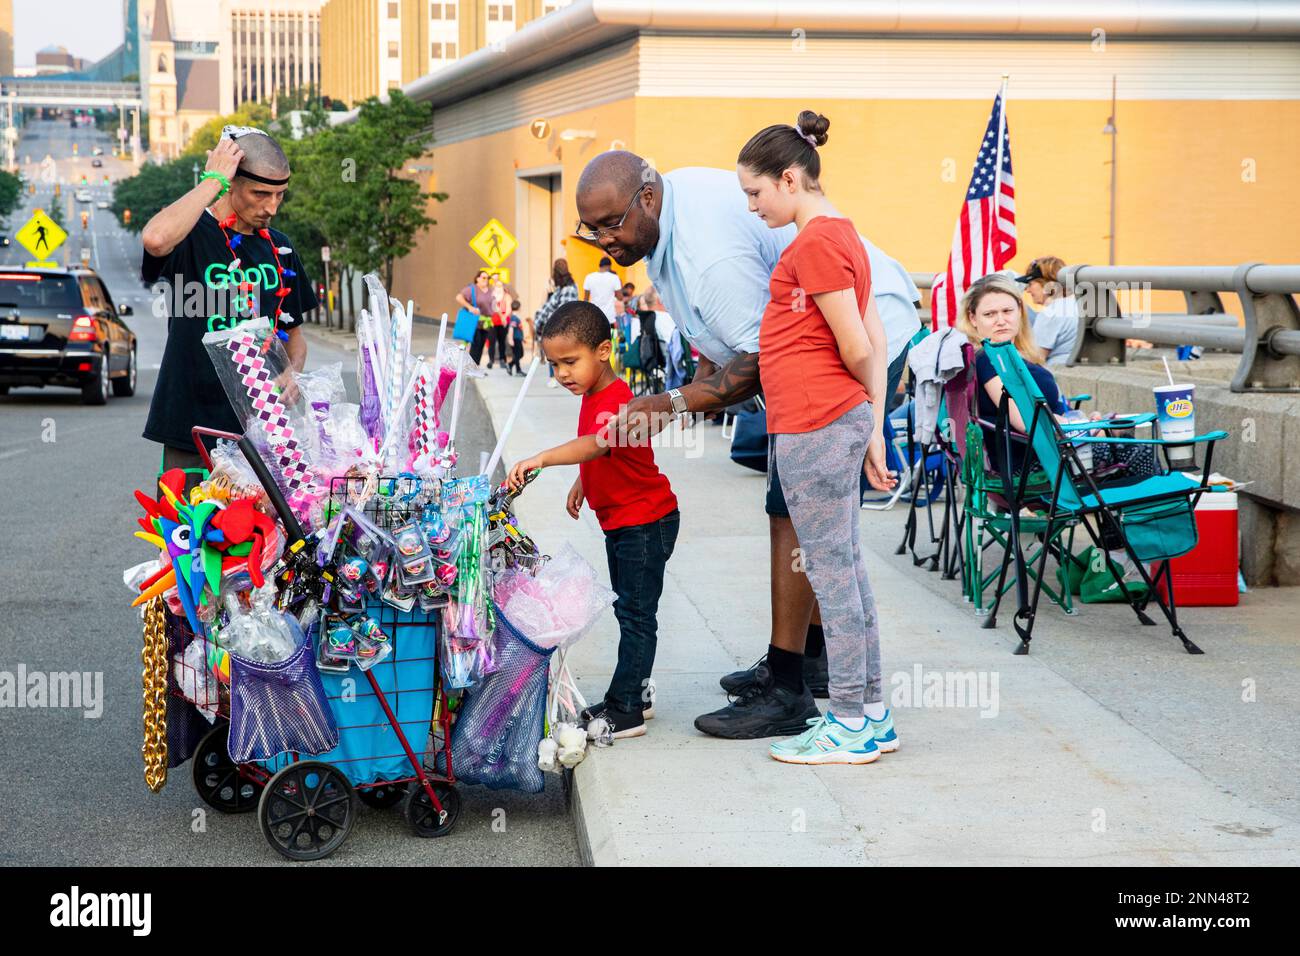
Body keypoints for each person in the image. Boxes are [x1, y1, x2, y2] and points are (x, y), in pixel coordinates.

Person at [574, 150, 913, 739]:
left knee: (799, 519)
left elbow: (764, 359)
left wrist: (673, 404)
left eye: (612, 224)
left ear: (646, 199)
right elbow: (721, 340)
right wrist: (687, 394)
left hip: (846, 349)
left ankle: (792, 692)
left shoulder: (709, 256)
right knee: (808, 525)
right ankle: (811, 661)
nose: (605, 240)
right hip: (827, 348)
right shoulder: (664, 222)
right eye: (593, 228)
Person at [737, 110, 896, 763]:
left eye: (756, 193)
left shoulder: (816, 243)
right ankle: (872, 716)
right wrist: (874, 426)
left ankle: (853, 723)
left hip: (815, 422)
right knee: (846, 574)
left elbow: (859, 344)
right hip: (832, 420)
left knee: (833, 577)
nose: (752, 207)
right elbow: (876, 340)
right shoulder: (842, 237)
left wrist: (860, 417)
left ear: (790, 178)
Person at [507, 301, 679, 738]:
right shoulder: (591, 394)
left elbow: (596, 445)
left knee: (637, 615)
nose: (562, 373)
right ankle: (632, 693)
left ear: (603, 350)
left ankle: (627, 711)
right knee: (631, 611)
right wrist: (585, 482)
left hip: (644, 523)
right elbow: (603, 453)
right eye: (554, 364)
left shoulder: (619, 400)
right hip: (624, 523)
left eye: (571, 361)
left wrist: (543, 457)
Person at [140, 127, 317, 491]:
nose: (271, 207)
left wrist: (293, 373)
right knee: (186, 537)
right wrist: (213, 181)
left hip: (263, 431)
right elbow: (155, 239)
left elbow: (295, 337)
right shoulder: (190, 234)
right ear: (231, 183)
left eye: (280, 195)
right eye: (260, 193)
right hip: (192, 426)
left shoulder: (280, 249)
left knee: (264, 542)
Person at [1018, 256, 1078, 366]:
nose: (1027, 290)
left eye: (1030, 284)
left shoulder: (1050, 313)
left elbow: (1035, 359)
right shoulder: (1078, 303)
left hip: (1058, 375)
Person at [535, 258, 579, 388]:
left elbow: (564, 310)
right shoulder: (564, 287)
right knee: (557, 353)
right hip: (555, 325)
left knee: (556, 353)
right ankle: (555, 377)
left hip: (558, 326)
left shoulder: (567, 288)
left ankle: (555, 377)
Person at [456, 269, 491, 365]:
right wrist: (470, 307)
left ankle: (476, 366)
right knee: (476, 343)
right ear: (477, 279)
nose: (486, 280)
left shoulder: (490, 290)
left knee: (481, 345)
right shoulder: (472, 289)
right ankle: (470, 366)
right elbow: (459, 297)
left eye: (488, 278)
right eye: (483, 277)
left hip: (486, 322)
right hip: (474, 321)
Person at [582, 255, 622, 322]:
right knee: (611, 332)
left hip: (594, 315)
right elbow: (620, 297)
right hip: (610, 317)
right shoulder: (614, 277)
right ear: (609, 266)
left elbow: (585, 299)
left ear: (600, 265)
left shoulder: (589, 277)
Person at [489, 272, 512, 369]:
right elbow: (490, 307)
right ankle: (491, 360)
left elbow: (509, 308)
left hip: (503, 321)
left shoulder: (506, 295)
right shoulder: (491, 295)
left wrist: (505, 316)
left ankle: (502, 359)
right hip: (492, 320)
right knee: (492, 340)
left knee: (502, 341)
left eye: (500, 285)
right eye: (496, 285)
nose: (498, 287)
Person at [507, 299, 526, 375]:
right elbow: (511, 328)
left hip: (518, 338)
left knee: (520, 354)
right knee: (518, 354)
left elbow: (519, 329)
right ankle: (518, 370)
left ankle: (510, 364)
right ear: (519, 308)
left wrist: (522, 338)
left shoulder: (516, 317)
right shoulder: (514, 318)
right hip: (515, 339)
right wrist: (510, 339)